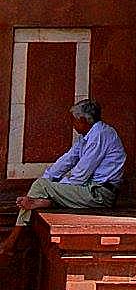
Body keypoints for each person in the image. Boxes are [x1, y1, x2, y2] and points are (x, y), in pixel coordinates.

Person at [1, 100, 125, 256]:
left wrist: (49, 188)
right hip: (89, 190)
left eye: (73, 120)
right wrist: (48, 181)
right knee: (41, 186)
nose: (72, 124)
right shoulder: (87, 136)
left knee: (40, 186)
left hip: (99, 194)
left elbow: (80, 175)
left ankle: (12, 241)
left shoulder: (100, 135)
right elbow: (67, 160)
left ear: (83, 120)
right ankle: (44, 202)